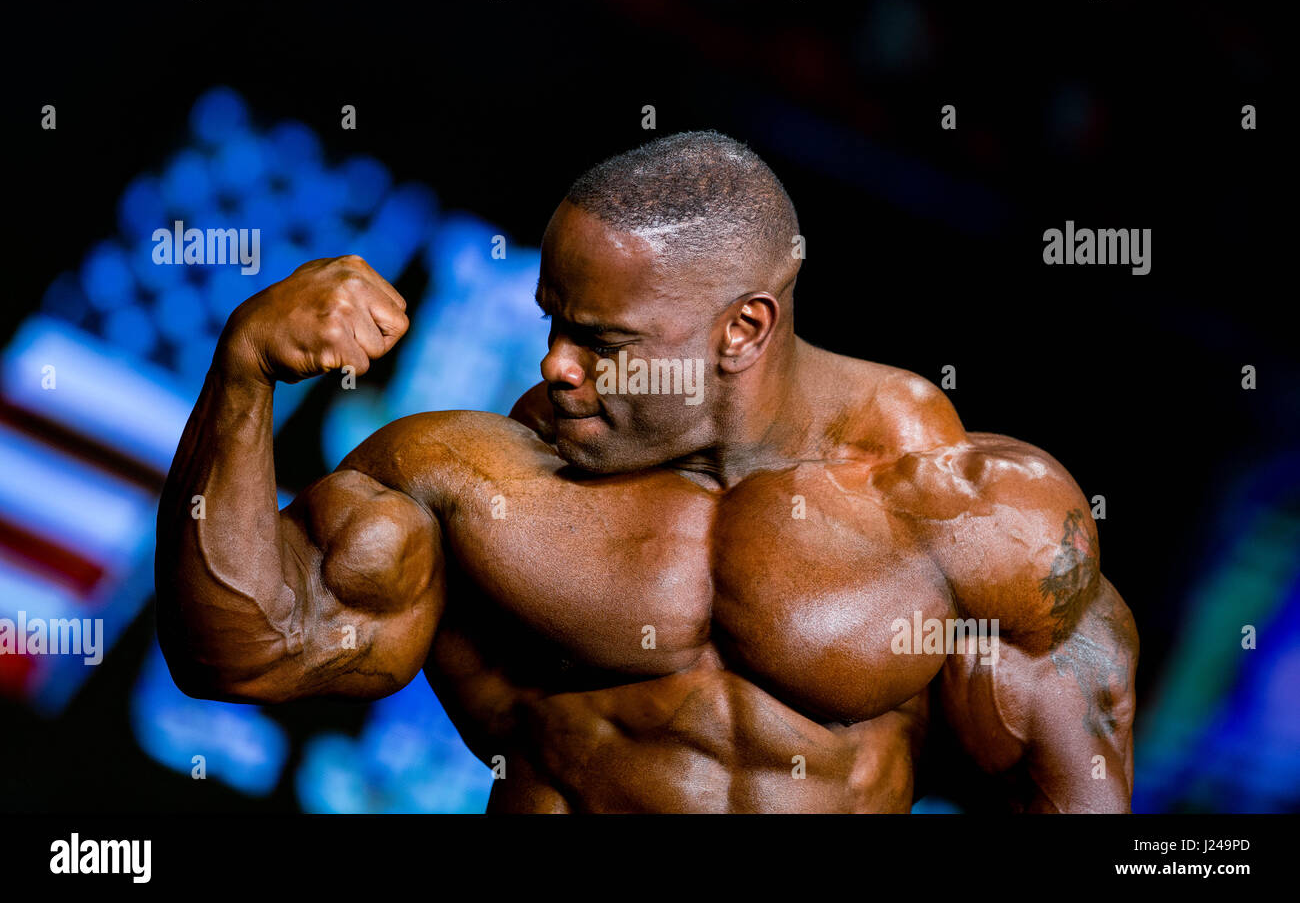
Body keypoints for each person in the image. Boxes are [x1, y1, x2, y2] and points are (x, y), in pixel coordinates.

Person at [155, 131, 1137, 812]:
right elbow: (238, 649)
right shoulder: (465, 478)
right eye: (552, 321)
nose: (552, 365)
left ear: (743, 328)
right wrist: (243, 371)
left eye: (598, 340)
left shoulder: (969, 518)